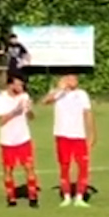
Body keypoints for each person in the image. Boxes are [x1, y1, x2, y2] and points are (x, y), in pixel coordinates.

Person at [43, 73, 95, 207]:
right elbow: (45, 101)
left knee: (83, 166)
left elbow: (88, 114)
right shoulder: (58, 93)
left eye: (75, 78)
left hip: (79, 136)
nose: (74, 81)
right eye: (71, 78)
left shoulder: (82, 94)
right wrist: (59, 89)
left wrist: (92, 133)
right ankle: (66, 196)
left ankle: (79, 196)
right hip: (62, 134)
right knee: (64, 166)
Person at [0, 74, 42, 208]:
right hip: (7, 140)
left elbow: (31, 117)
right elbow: (1, 121)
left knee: (29, 167)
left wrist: (29, 110)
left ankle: (33, 197)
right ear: (10, 85)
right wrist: (14, 112)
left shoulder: (24, 97)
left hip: (23, 138)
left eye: (21, 85)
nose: (20, 87)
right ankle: (11, 198)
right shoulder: (2, 99)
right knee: (8, 170)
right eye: (18, 84)